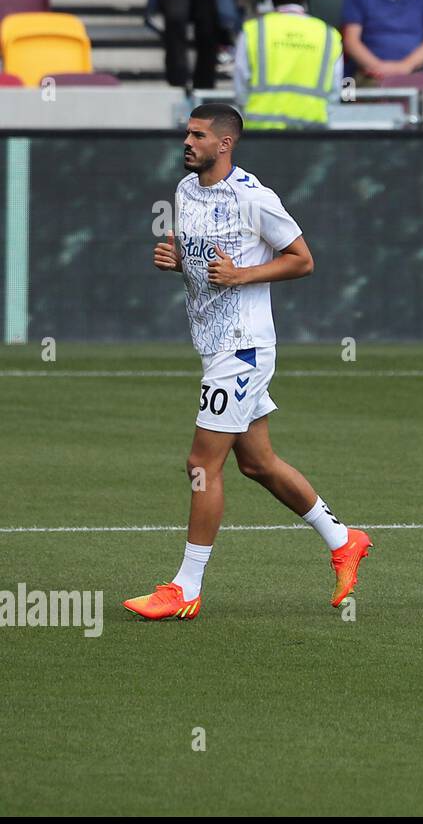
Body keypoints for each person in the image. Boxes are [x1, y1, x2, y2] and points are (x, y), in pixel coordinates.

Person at [124, 104, 372, 620]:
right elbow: (203, 259)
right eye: (186, 133)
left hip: (243, 348)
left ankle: (186, 588)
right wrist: (177, 260)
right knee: (257, 462)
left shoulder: (254, 198)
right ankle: (344, 538)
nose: (187, 142)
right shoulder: (186, 191)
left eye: (198, 135)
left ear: (225, 143)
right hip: (214, 344)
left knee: (200, 465)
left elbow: (302, 260)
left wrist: (243, 276)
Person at [233, 0, 343, 129]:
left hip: (260, 135)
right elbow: (336, 89)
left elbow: (240, 85)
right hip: (313, 133)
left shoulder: (253, 30)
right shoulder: (329, 35)